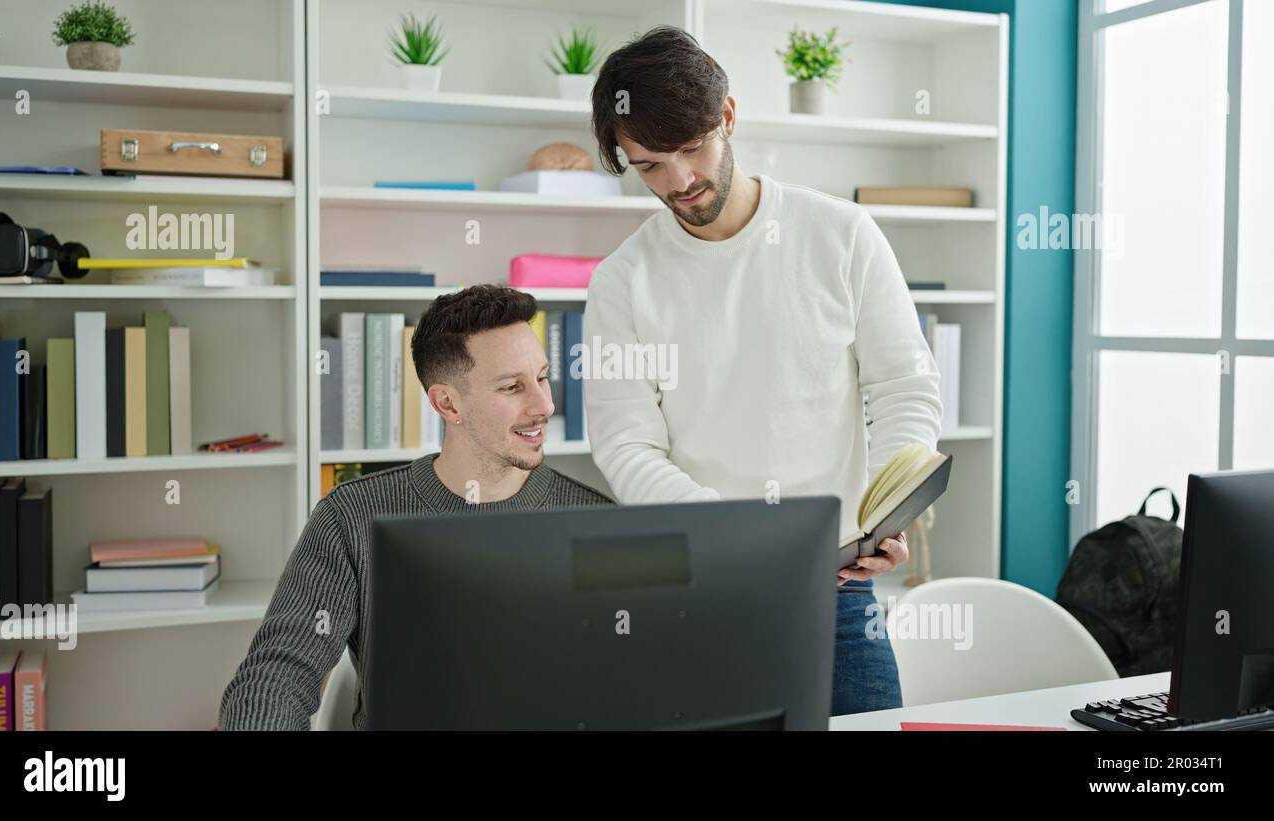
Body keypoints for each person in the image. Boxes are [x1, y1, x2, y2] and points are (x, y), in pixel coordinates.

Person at [584, 27, 942, 715]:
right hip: (699, 593)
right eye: (650, 165)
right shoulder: (621, 283)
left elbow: (904, 384)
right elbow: (626, 446)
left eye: (692, 149)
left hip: (838, 589)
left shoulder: (842, 235)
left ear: (728, 117)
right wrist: (741, 536)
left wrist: (889, 507)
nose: (679, 181)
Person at [220, 285, 613, 730]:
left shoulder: (597, 521)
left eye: (542, 377)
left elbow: (633, 683)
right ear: (447, 402)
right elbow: (276, 676)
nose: (545, 405)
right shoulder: (352, 518)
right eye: (512, 387)